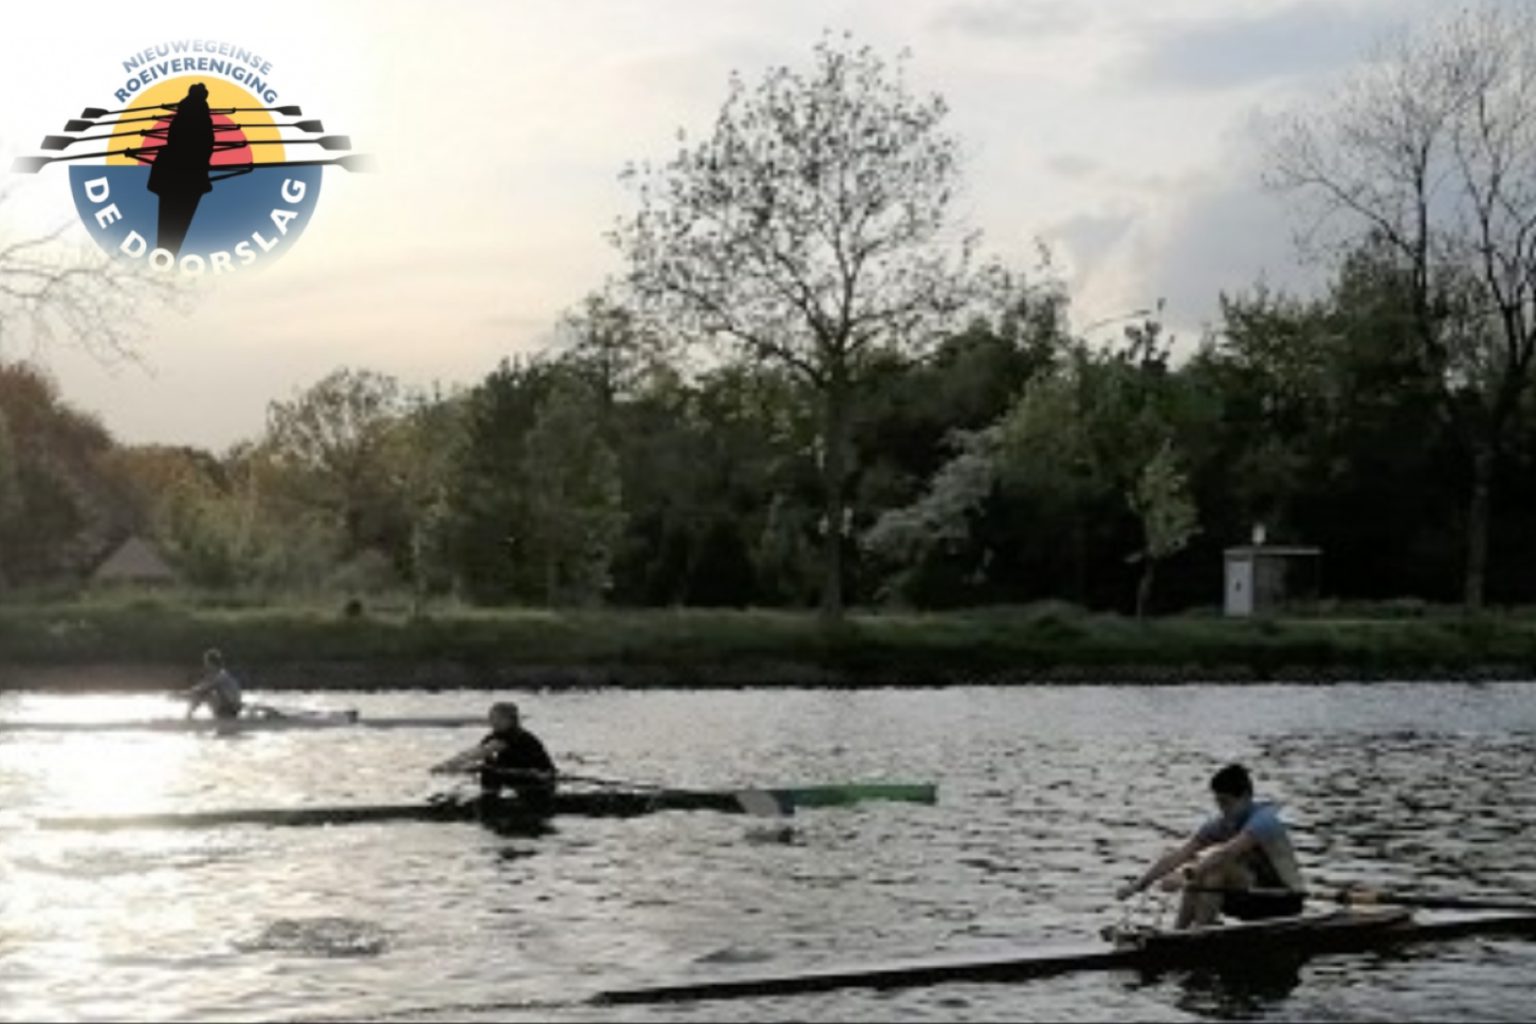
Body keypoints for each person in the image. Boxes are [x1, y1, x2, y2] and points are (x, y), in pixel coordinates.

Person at [1115, 763, 1305, 929]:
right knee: (1198, 868)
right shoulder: (1223, 823)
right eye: (1218, 802)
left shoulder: (1264, 821)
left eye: (1227, 802)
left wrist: (1183, 877)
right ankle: (1179, 933)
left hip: (1284, 901)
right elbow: (1180, 854)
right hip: (1250, 896)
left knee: (1214, 868)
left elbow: (1226, 853)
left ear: (1246, 796)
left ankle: (1199, 933)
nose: (1222, 809)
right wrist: (1139, 885)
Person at [432, 702, 557, 811]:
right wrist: (447, 765)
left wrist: (447, 767)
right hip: (520, 775)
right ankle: (489, 799)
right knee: (486, 767)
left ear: (509, 719)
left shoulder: (514, 735)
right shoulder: (494, 736)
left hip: (539, 778)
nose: (491, 721)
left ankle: (489, 802)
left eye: (495, 717)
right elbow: (472, 752)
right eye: (491, 717)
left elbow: (480, 753)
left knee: (486, 770)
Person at [146, 83, 215, 256]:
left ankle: (165, 255)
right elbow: (207, 143)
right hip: (190, 172)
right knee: (174, 228)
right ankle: (166, 254)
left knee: (171, 233)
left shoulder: (184, 110)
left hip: (175, 169)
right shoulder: (200, 114)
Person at [183, 648, 243, 720]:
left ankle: (187, 717)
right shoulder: (221, 674)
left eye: (206, 662)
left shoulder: (221, 676)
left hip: (229, 710)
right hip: (231, 708)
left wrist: (185, 693)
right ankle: (188, 716)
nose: (205, 665)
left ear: (211, 663)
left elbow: (203, 688)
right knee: (204, 692)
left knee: (203, 693)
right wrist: (190, 691)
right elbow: (203, 685)